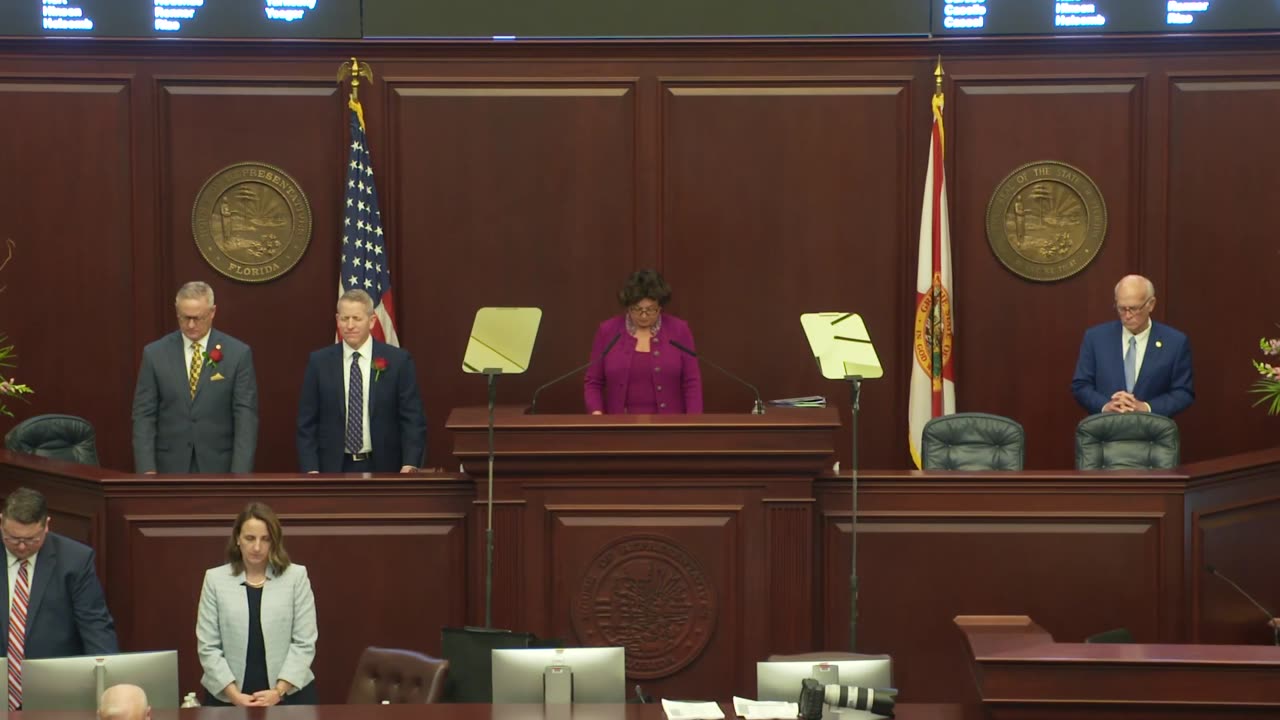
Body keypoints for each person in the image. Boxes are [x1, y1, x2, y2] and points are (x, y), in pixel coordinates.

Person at [2, 487, 118, 711]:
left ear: (46, 525)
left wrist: (109, 687)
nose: (22, 546)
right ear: (1, 522)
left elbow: (95, 625)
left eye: (31, 539)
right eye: (13, 539)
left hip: (56, 688)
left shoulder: (75, 559)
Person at [196, 502, 317, 707]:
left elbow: (304, 642)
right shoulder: (215, 579)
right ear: (238, 538)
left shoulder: (296, 577)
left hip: (289, 696)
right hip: (227, 698)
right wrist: (233, 695)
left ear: (274, 542)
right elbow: (208, 647)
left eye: (265, 539)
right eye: (250, 538)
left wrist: (278, 691)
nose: (257, 547)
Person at [131, 281, 259, 473]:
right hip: (168, 467)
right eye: (185, 318)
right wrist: (146, 470)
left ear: (212, 312)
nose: (190, 325)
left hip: (219, 467)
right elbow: (143, 415)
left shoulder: (237, 354)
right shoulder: (155, 354)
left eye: (197, 318)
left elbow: (245, 418)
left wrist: (239, 475)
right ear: (177, 312)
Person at [296, 289, 427, 472]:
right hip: (332, 469)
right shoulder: (319, 362)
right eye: (345, 318)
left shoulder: (398, 361)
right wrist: (311, 470)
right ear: (337, 320)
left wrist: (410, 464)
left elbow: (412, 419)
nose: (350, 325)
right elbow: (307, 423)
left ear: (371, 321)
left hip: (385, 468)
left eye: (357, 318)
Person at [1071, 274, 1194, 416]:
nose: (1127, 315)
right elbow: (1081, 385)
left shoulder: (1175, 342)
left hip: (1151, 427)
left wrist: (1146, 408)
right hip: (1106, 426)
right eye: (1122, 309)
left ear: (1151, 304)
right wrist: (1105, 406)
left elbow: (1183, 392)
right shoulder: (1096, 338)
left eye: (1134, 309)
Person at [585, 269, 703, 414]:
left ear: (660, 306)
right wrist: (597, 414)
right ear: (628, 306)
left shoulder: (679, 330)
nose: (644, 316)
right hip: (619, 425)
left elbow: (692, 382)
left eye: (651, 310)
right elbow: (593, 382)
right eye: (636, 309)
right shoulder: (607, 331)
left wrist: (693, 422)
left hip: (670, 425)